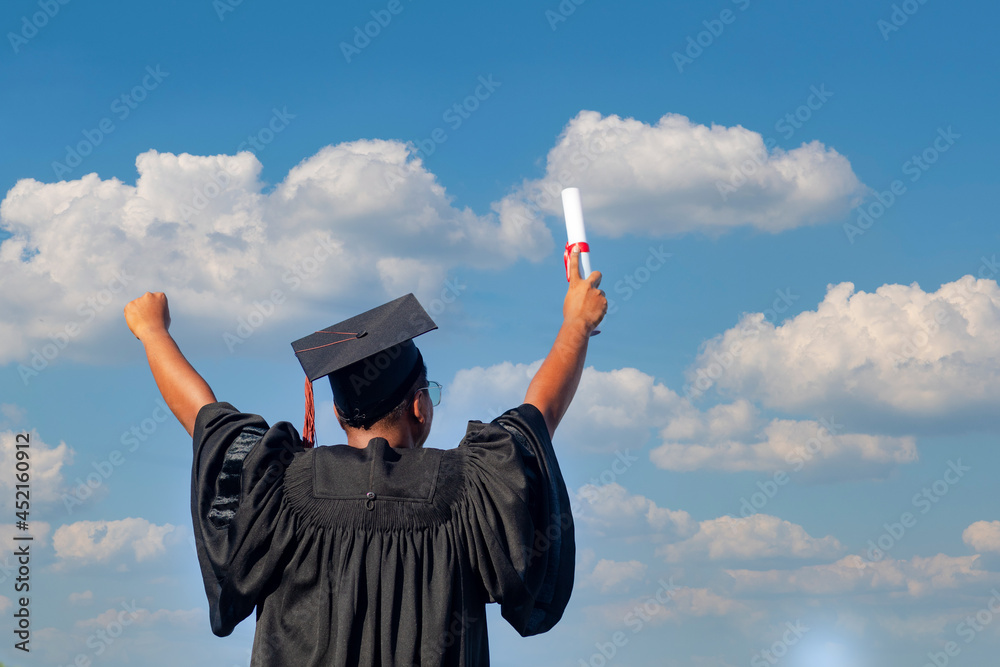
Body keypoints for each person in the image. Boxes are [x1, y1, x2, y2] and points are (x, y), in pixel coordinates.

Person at [123, 248, 607, 666]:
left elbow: (206, 419)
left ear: (337, 414)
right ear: (420, 407)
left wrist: (154, 332)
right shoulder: (471, 491)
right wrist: (577, 323)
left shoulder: (277, 490)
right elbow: (537, 417)